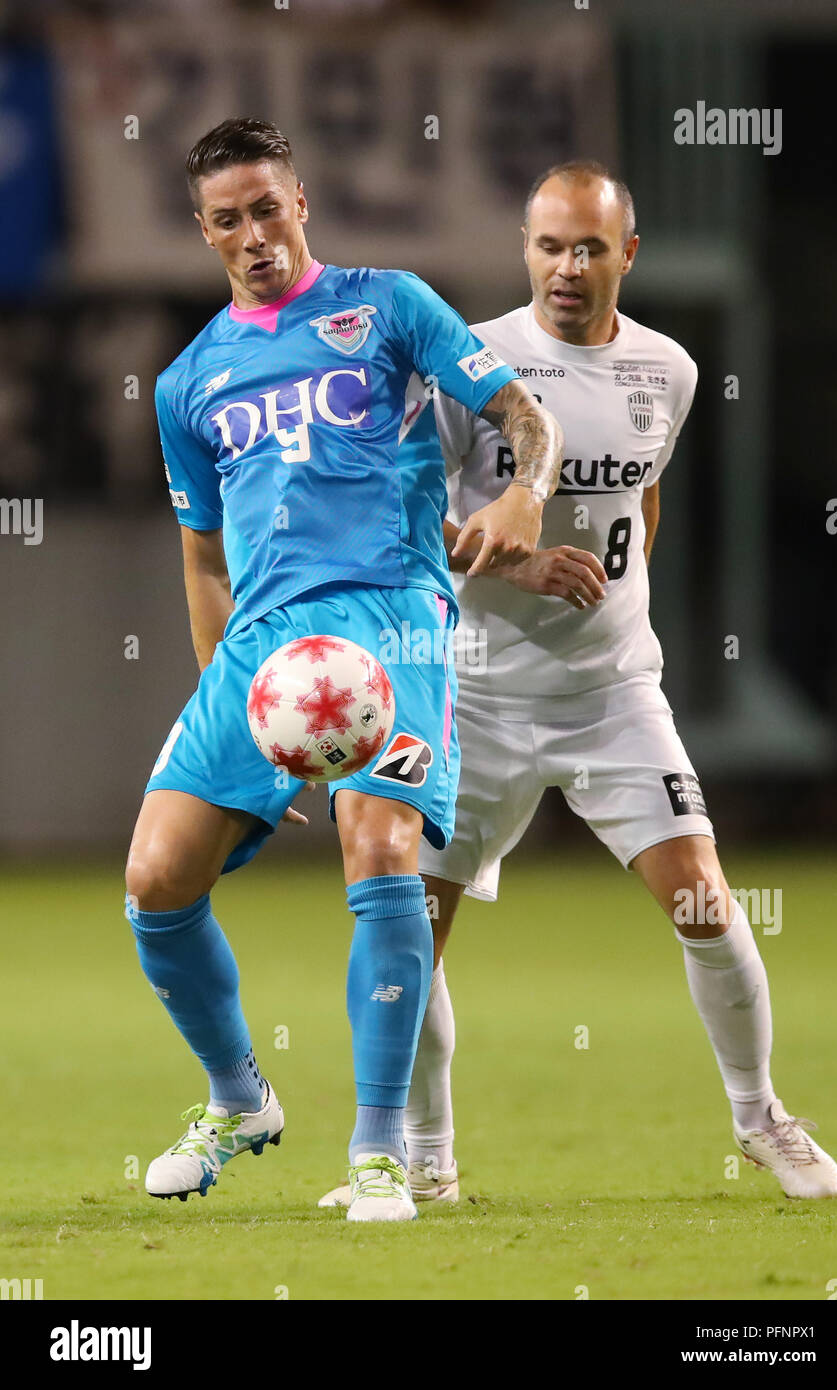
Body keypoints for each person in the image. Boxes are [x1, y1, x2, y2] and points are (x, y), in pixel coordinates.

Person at [320, 159, 837, 1210]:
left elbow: (637, 503)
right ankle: (426, 1151)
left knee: (702, 899)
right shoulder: (472, 366)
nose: (566, 265)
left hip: (609, 694)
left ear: (626, 255)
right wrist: (515, 562)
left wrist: (611, 594)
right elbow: (405, 524)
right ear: (526, 251)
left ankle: (760, 1117)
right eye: (549, 244)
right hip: (468, 695)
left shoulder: (670, 371)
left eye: (589, 246)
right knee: (409, 926)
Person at [123, 119, 563, 1223]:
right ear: (204, 229)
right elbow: (201, 555)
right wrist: (238, 707)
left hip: (391, 621)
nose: (253, 233)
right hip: (258, 651)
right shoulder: (187, 382)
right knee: (155, 879)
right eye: (228, 217)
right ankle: (239, 1098)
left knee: (382, 848)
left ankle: (377, 1154)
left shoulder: (388, 304)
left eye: (268, 207)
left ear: (300, 202)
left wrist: (520, 492)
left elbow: (524, 413)